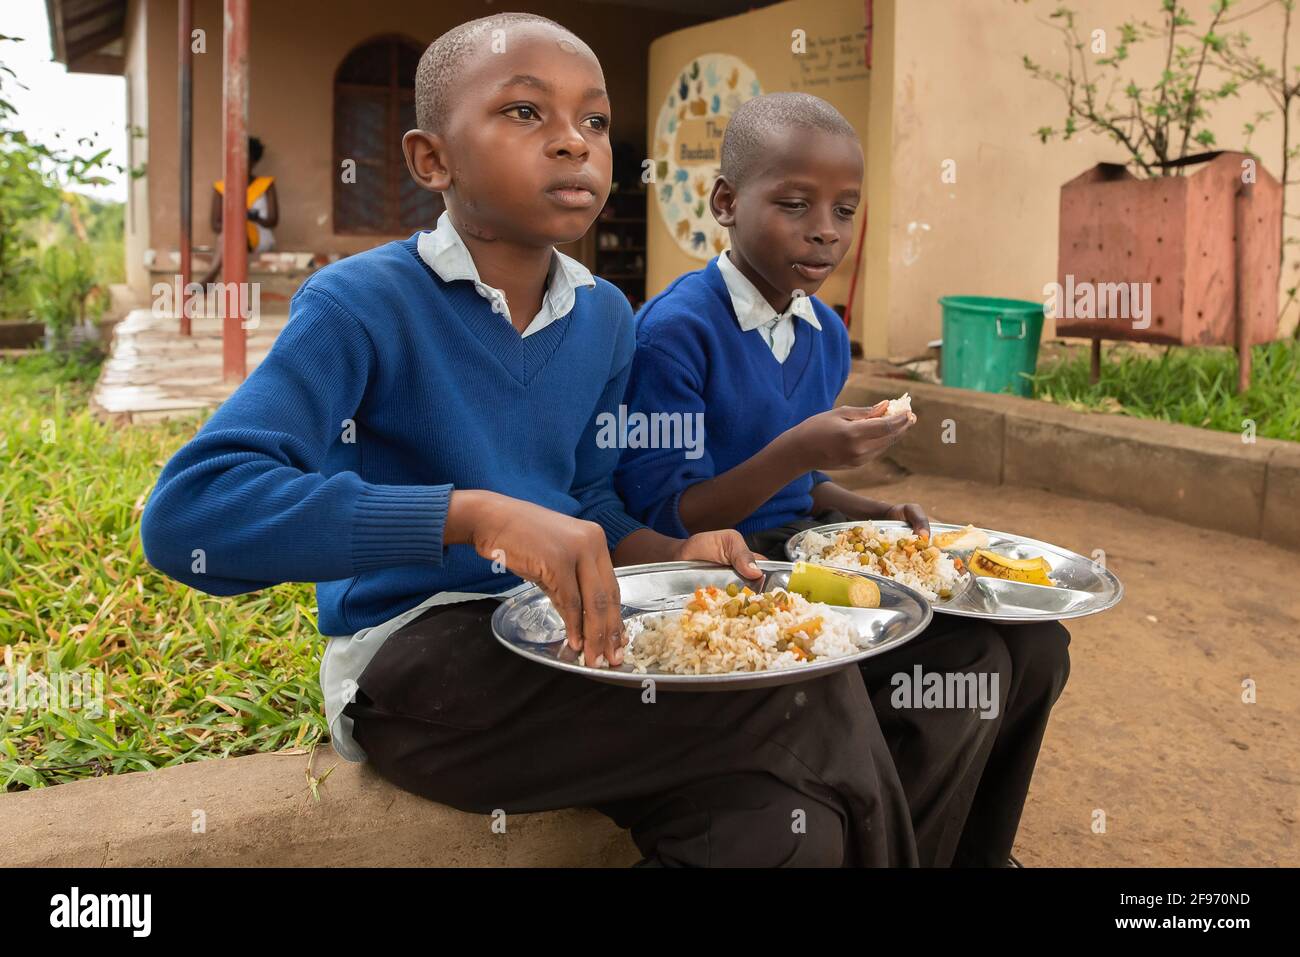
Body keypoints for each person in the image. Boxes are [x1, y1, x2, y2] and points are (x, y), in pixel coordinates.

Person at [141, 15, 917, 867]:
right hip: (416, 661)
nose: (572, 145)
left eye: (592, 121)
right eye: (524, 113)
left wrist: (676, 549)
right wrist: (474, 517)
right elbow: (191, 515)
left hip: (565, 632)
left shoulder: (603, 320)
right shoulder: (360, 305)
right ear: (431, 159)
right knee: (797, 701)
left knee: (765, 820)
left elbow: (586, 504)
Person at [614, 93, 1071, 866]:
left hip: (803, 549)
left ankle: (969, 852)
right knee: (964, 668)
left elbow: (802, 486)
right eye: (795, 204)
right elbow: (670, 507)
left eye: (846, 209)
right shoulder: (677, 331)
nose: (825, 228)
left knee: (1035, 649)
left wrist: (869, 505)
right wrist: (796, 452)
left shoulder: (822, 331)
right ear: (725, 202)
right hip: (727, 569)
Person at [203, 136, 278, 284]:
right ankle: (237, 296)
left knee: (229, 239)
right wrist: (236, 222)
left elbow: (273, 221)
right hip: (230, 236)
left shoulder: (266, 185)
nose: (240, 163)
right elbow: (215, 225)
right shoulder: (221, 187)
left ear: (254, 160)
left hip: (259, 236)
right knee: (231, 236)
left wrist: (252, 217)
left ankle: (211, 277)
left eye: (245, 158)